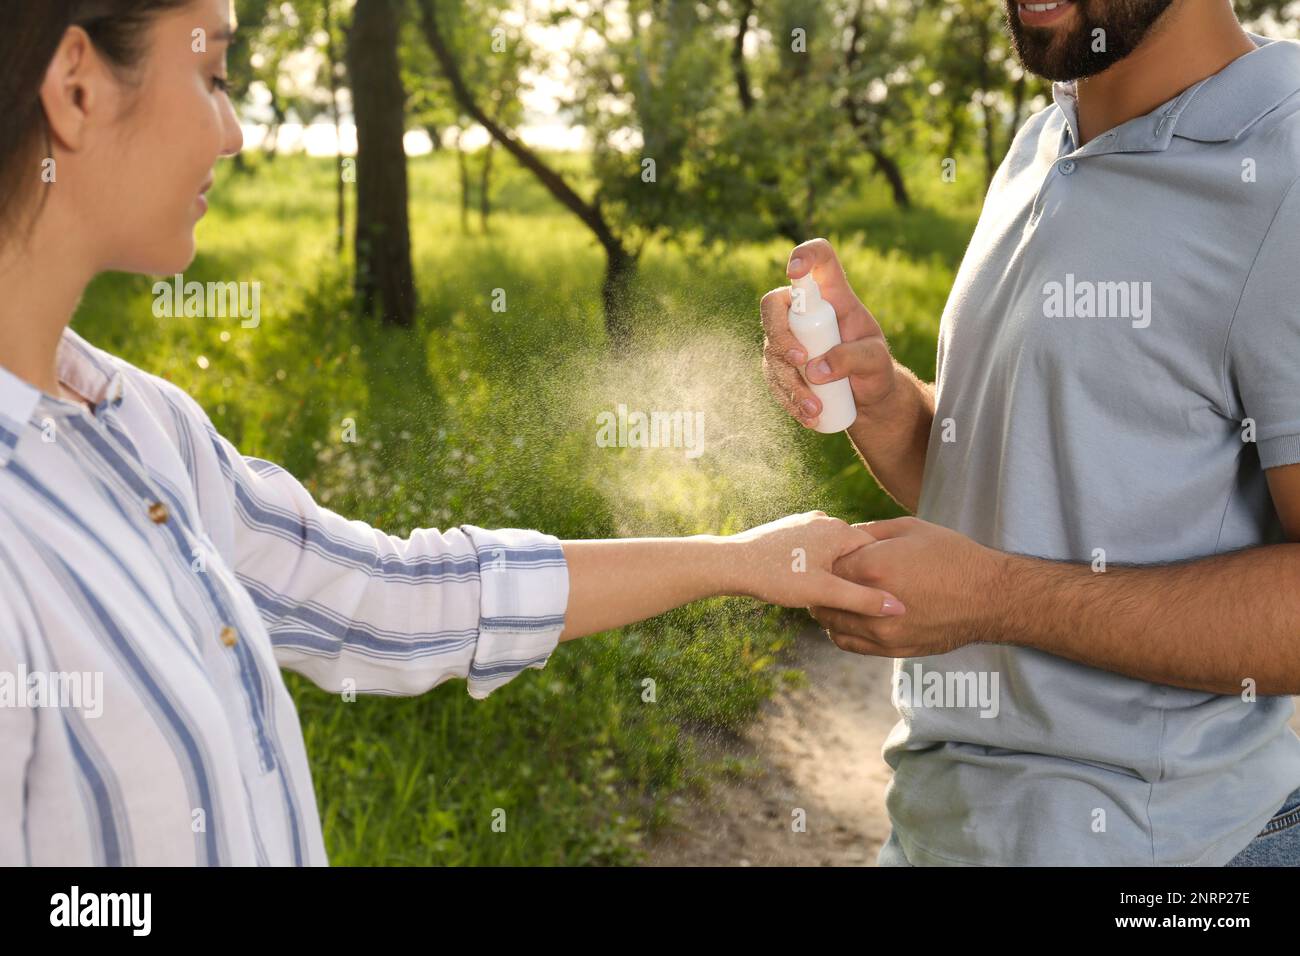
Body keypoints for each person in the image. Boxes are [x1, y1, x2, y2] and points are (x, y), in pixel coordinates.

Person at [0, 0, 905, 866]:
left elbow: (386, 596)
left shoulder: (142, 427)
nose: (232, 131)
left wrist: (741, 560)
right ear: (77, 86)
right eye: (213, 74)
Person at [762, 0, 1300, 866]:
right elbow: (1027, 484)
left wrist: (996, 598)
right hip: (935, 827)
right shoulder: (1042, 141)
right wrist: (889, 402)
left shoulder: (1286, 168)